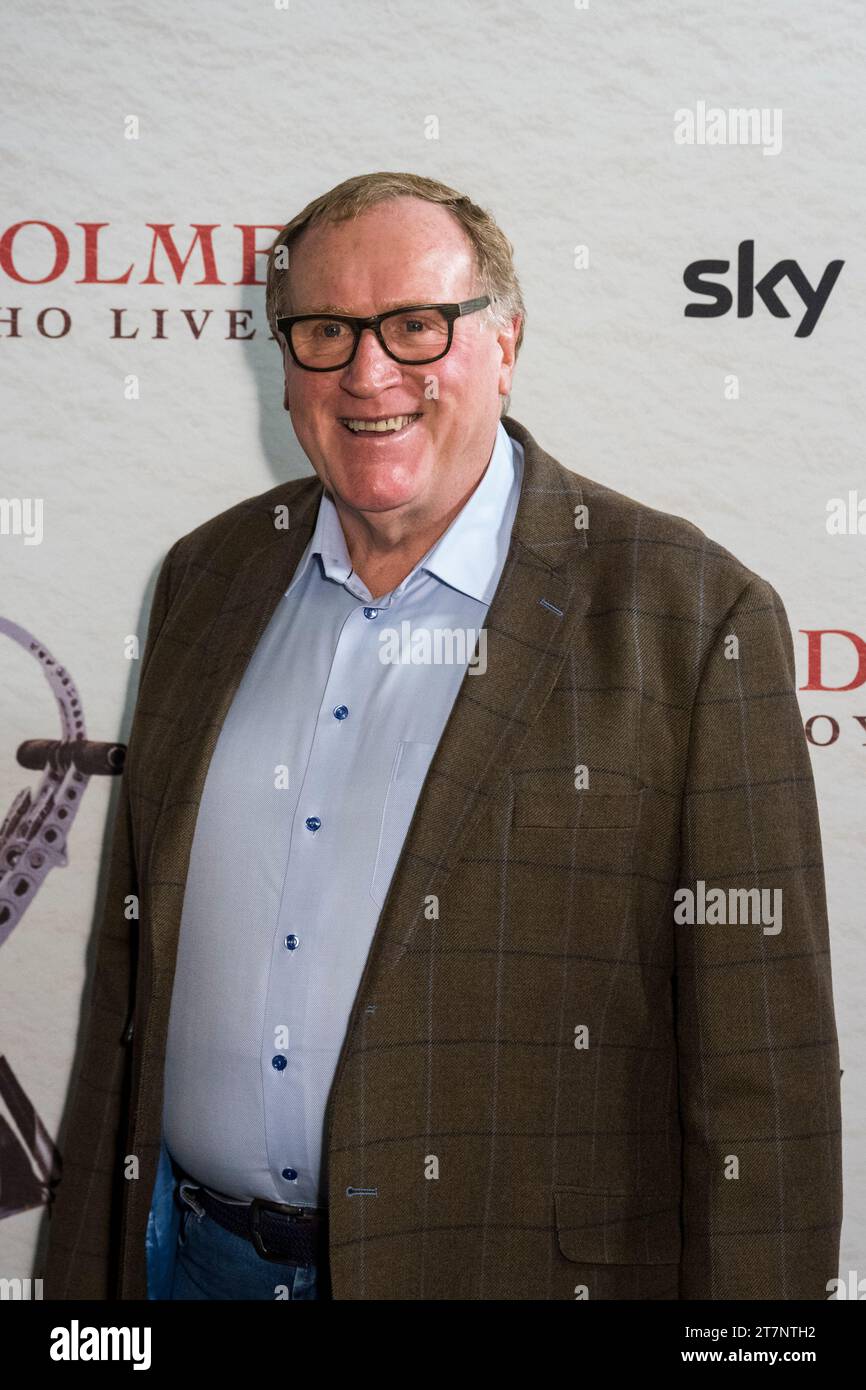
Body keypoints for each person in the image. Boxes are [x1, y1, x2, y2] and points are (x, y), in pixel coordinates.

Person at [44, 171, 842, 1301]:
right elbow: (127, 988)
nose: (368, 374)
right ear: (285, 364)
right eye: (325, 330)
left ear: (504, 343)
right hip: (194, 1267)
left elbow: (764, 1076)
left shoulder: (691, 618)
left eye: (417, 324)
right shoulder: (205, 578)